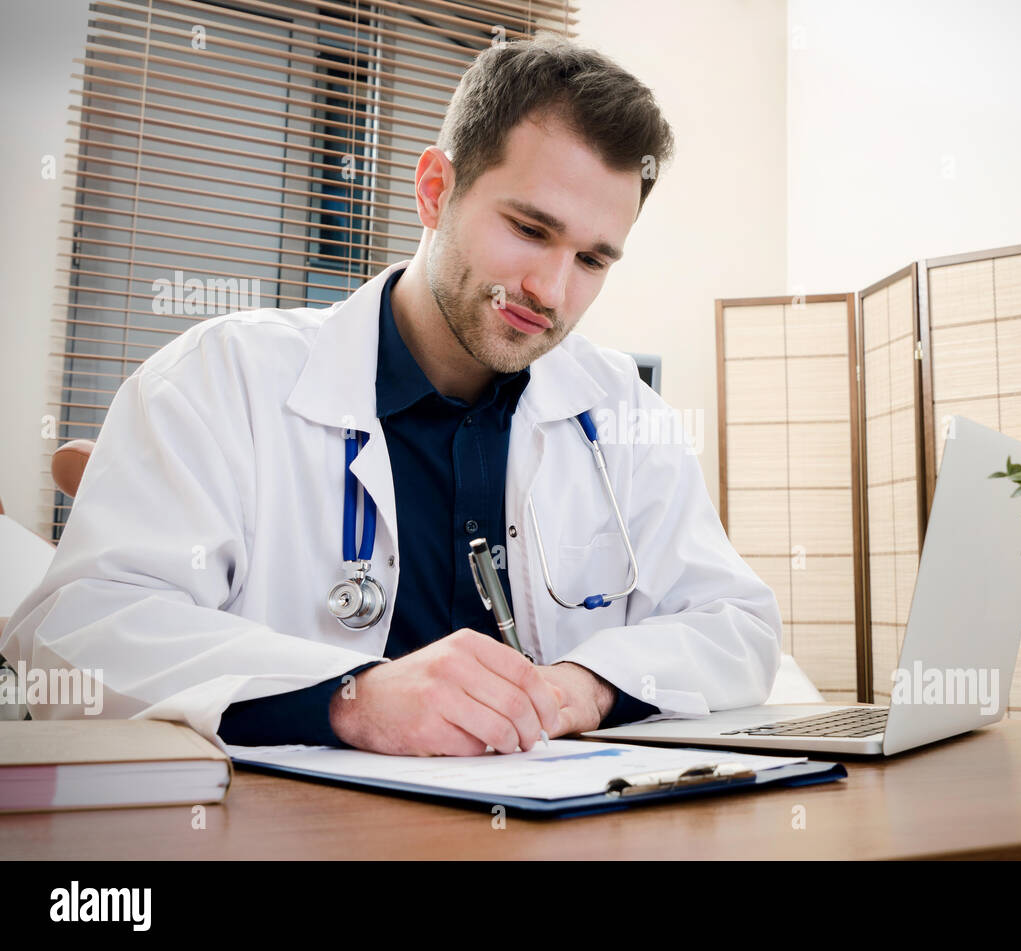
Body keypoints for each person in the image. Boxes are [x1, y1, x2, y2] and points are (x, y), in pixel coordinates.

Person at [1, 33, 781, 756]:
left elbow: (737, 627)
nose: (551, 289)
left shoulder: (621, 415)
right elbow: (76, 632)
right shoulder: (219, 379)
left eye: (593, 259)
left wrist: (588, 684)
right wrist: (351, 697)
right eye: (530, 230)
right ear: (435, 189)